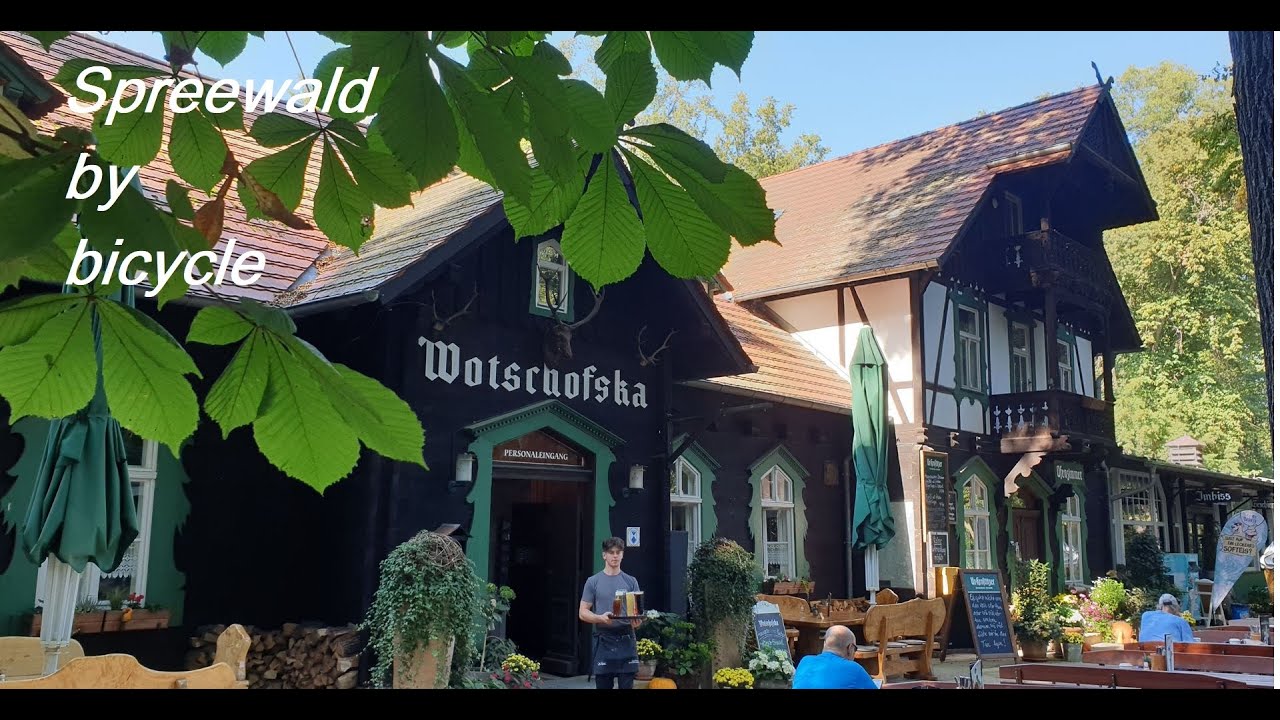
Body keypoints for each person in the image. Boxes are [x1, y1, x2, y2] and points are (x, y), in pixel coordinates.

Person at [579, 537, 643, 689]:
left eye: (618, 552)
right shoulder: (593, 581)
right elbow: (582, 612)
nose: (615, 556)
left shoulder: (631, 581)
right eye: (611, 552)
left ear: (622, 555)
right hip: (604, 638)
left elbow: (637, 613)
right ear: (604, 555)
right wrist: (600, 618)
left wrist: (637, 623)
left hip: (627, 637)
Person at [791, 625, 879, 689]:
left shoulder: (805, 661)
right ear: (849, 648)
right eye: (855, 649)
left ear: (824, 644)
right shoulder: (854, 669)